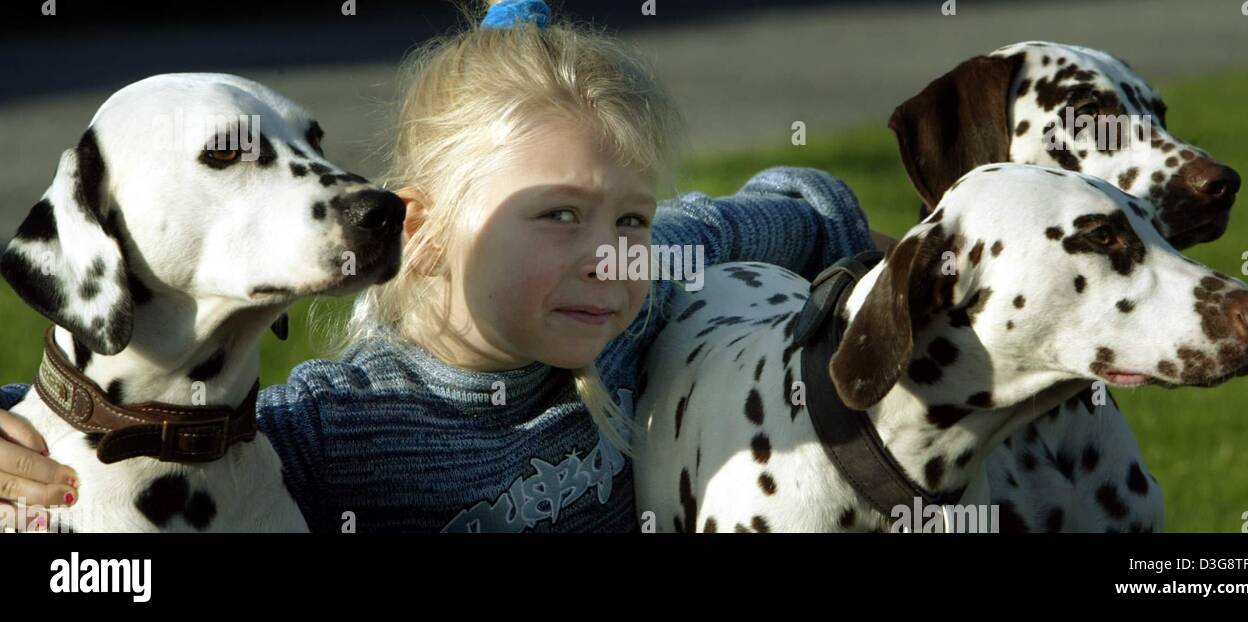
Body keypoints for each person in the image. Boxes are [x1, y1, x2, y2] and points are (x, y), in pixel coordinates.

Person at [0, 0, 874, 532]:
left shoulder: (631, 298)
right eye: (558, 214)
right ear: (420, 231)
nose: (608, 252)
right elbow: (135, 427)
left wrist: (865, 256)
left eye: (632, 217)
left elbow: (796, 212)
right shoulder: (330, 431)